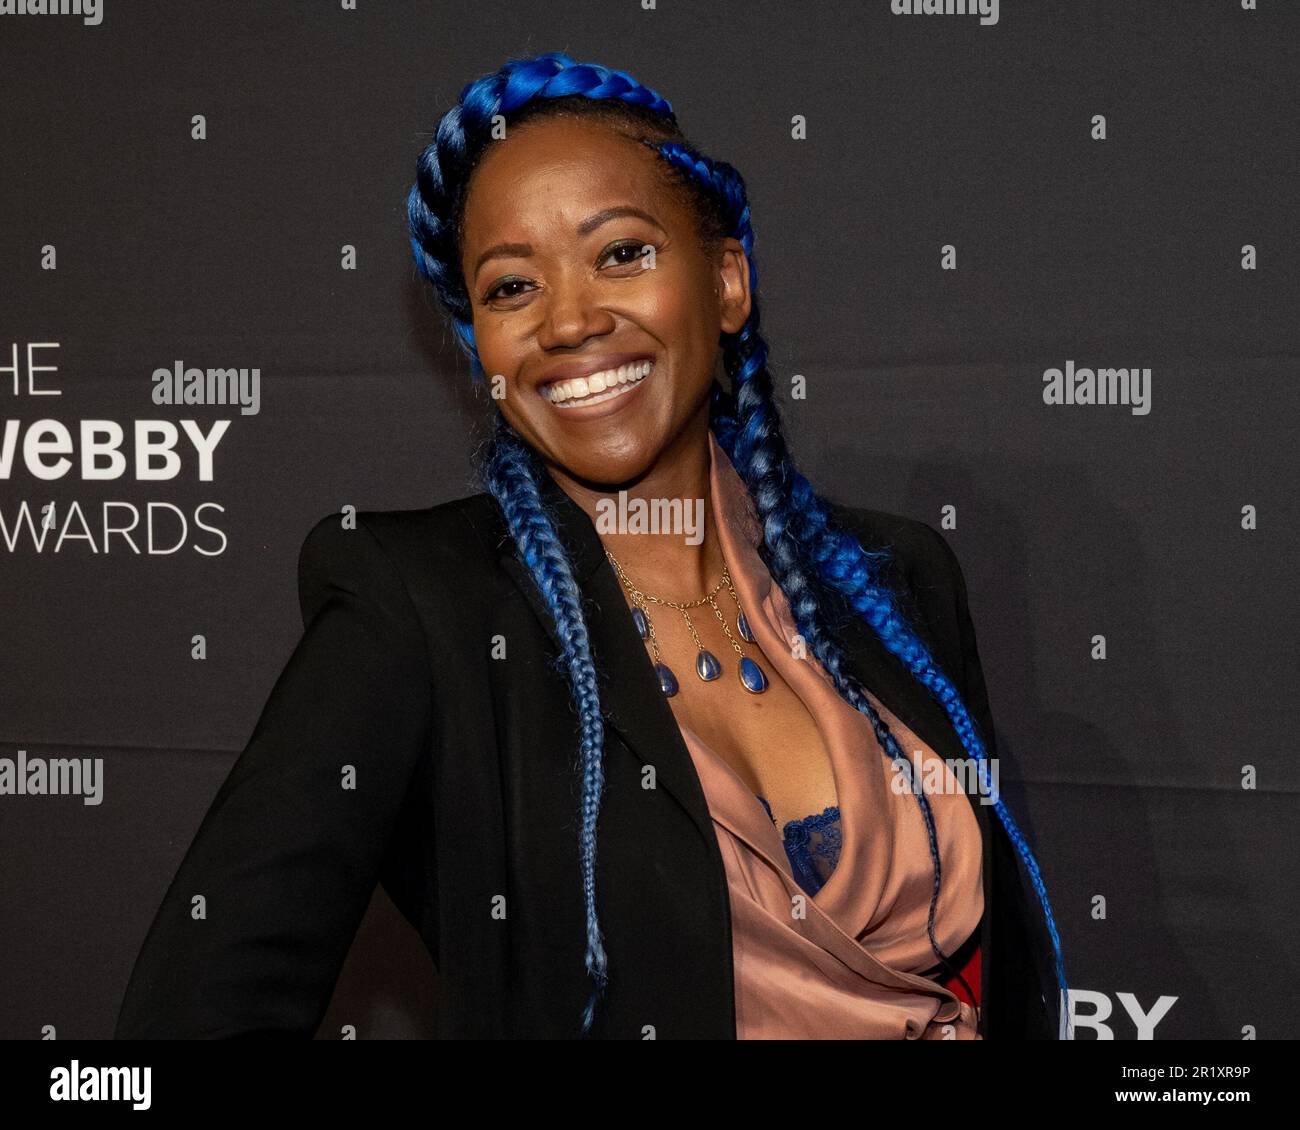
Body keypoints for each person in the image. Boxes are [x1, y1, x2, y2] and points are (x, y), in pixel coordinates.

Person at [114, 51, 1068, 1041]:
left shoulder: (896, 580)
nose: (569, 319)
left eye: (620, 254)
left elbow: (1010, 978)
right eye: (511, 286)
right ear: (480, 346)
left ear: (728, 281)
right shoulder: (419, 612)